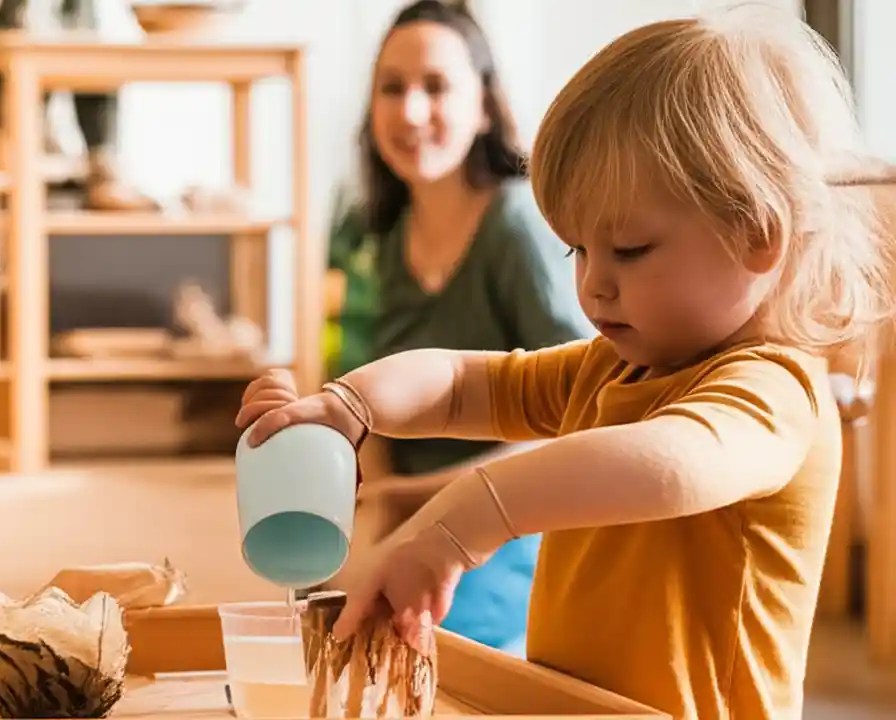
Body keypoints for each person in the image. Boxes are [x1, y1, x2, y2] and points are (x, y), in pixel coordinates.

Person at [238, 6, 887, 719]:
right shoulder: (610, 368)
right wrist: (350, 405)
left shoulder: (772, 387)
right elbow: (459, 384)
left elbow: (673, 463)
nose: (593, 284)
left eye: (630, 250)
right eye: (577, 249)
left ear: (758, 233)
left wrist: (461, 523)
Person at [322, 0, 593, 652]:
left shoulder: (515, 228)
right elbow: (357, 398)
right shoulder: (370, 234)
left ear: (483, 106)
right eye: (392, 88)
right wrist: (369, 522)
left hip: (513, 520)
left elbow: (584, 411)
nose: (411, 111)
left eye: (437, 86)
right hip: (403, 515)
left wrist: (417, 502)